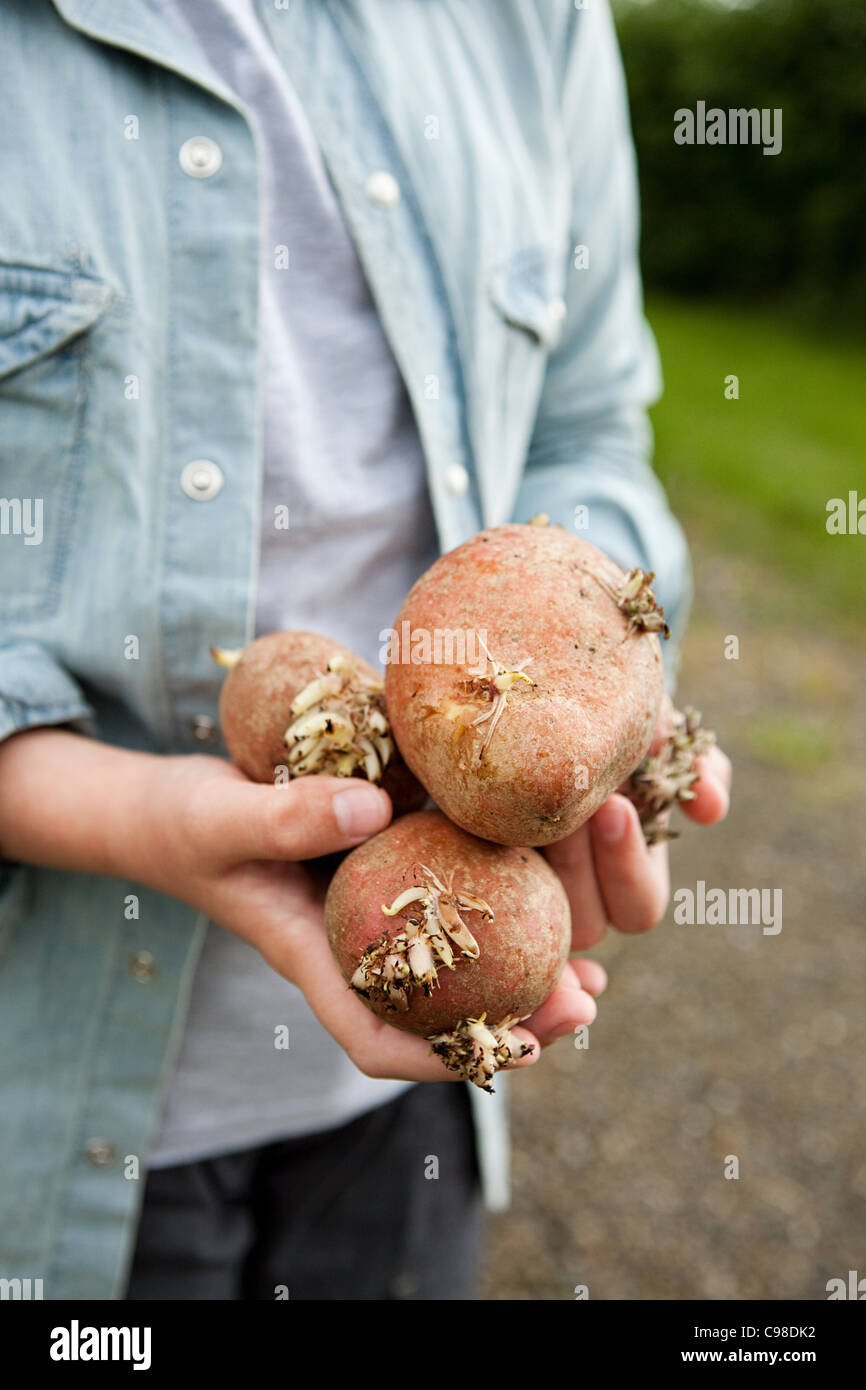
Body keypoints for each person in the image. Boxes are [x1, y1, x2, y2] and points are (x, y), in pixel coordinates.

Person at [0, 0, 730, 1301]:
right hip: (44, 1125)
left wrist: (581, 678)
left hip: (412, 1099)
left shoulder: (529, 21)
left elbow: (589, 428)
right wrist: (128, 813)